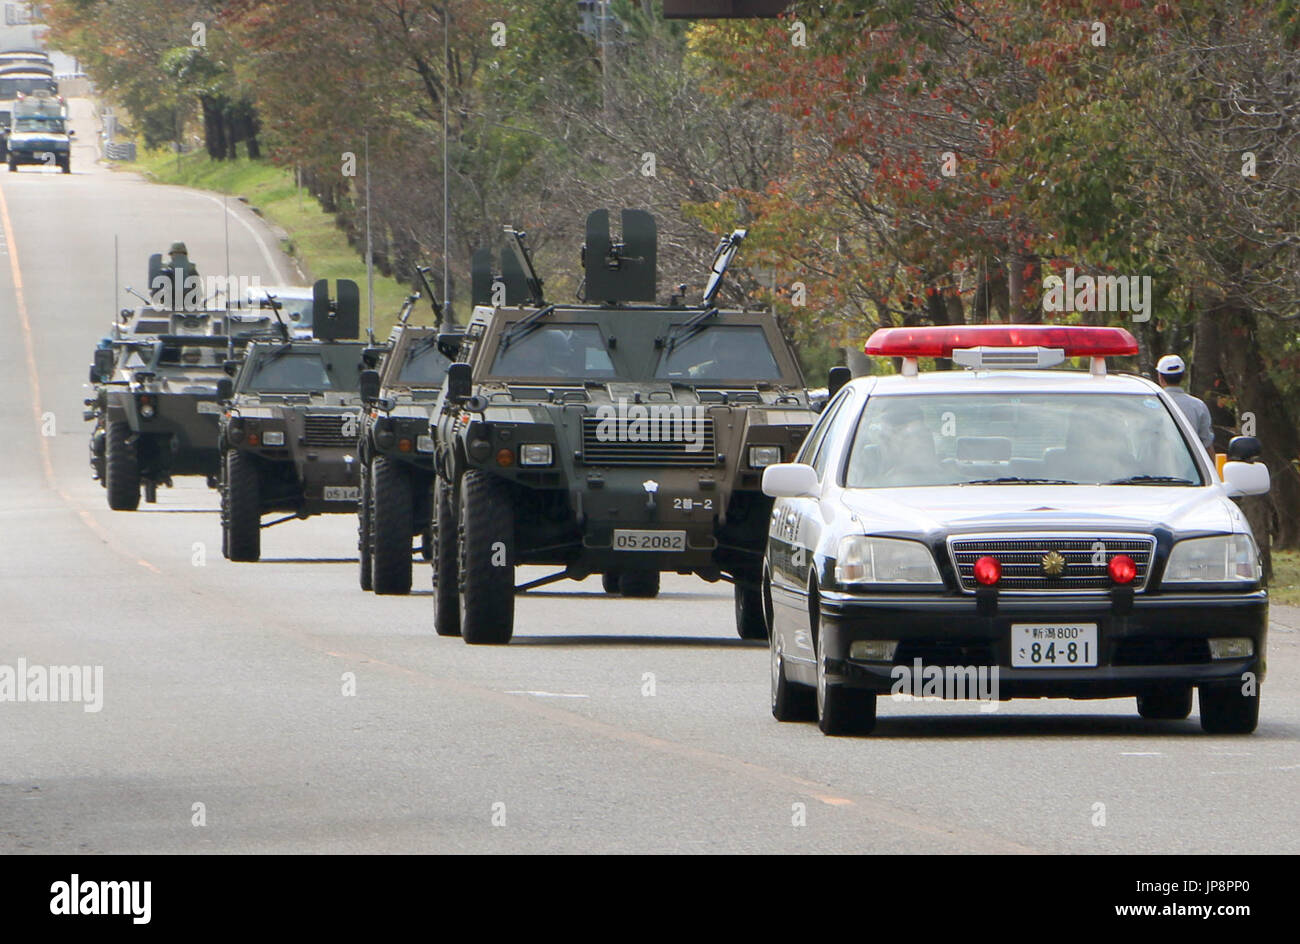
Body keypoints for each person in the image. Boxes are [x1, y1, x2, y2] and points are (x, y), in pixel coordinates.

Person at [1156, 354, 1215, 455]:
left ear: (1160, 377)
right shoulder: (1198, 406)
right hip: (1191, 469)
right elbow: (1207, 445)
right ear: (1184, 376)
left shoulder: (1152, 405)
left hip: (1157, 468)